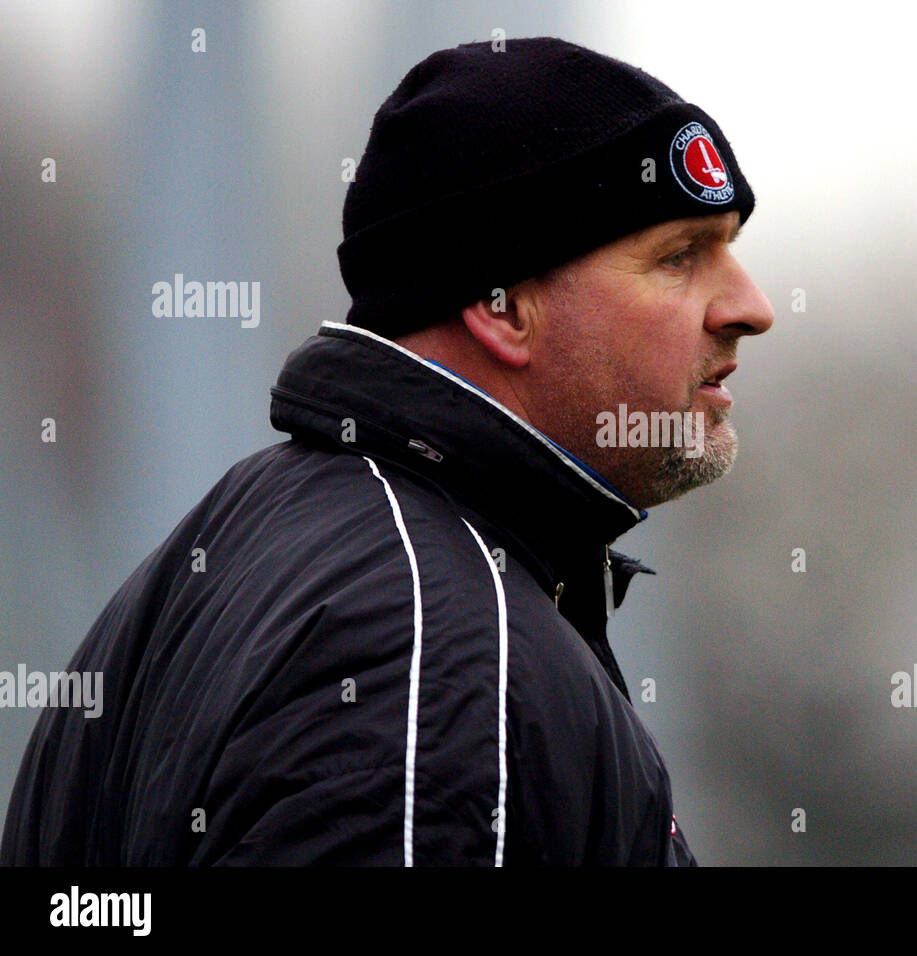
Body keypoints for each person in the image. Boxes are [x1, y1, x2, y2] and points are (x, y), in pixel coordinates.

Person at [1, 36, 773, 866]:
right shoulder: (433, 650)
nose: (750, 306)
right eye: (679, 257)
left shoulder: (253, 544)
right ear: (504, 308)